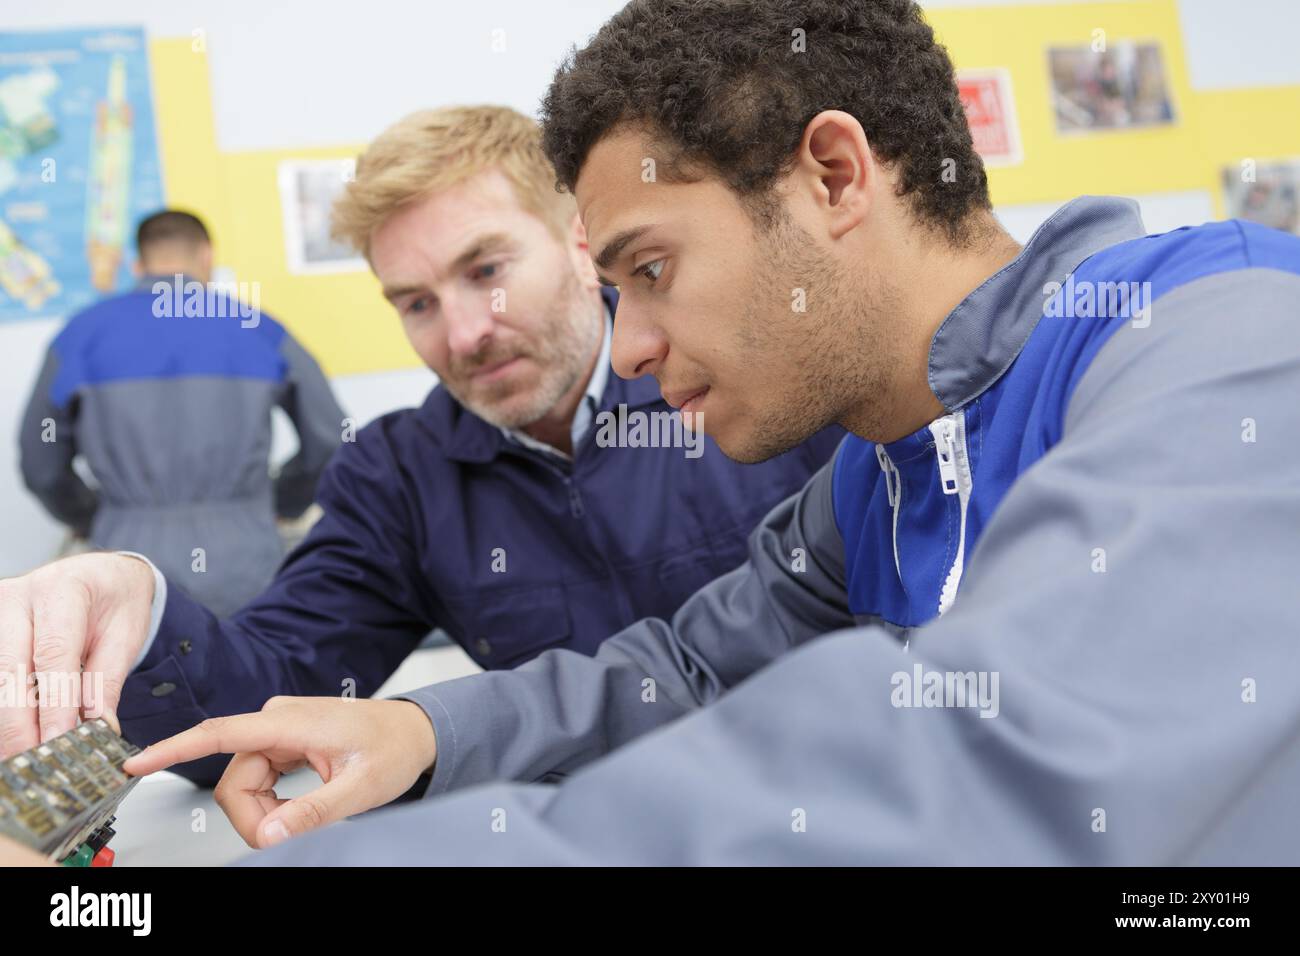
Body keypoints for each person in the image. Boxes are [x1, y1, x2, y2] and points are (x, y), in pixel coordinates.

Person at [123, 0, 1300, 865]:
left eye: (647, 267)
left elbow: (1002, 762)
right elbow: (678, 673)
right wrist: (419, 728)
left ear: (834, 175)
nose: (627, 346)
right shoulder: (867, 481)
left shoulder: (1219, 333)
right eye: (415, 302)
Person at [0, 106, 841, 783]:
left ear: (581, 244)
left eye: (486, 270)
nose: (465, 334)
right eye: (416, 303)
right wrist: (140, 605)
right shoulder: (400, 480)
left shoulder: (753, 380)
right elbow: (261, 711)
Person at [19, 210, 343, 617]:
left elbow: (40, 462)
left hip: (129, 559)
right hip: (245, 557)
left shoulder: (81, 336)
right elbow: (331, 438)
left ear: (139, 264)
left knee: (139, 678)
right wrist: (282, 501)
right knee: (251, 675)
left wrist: (91, 515)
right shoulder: (259, 329)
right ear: (206, 256)